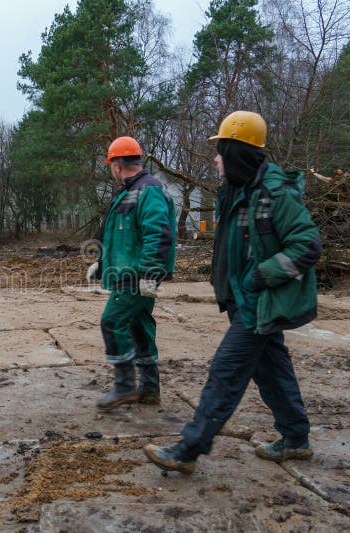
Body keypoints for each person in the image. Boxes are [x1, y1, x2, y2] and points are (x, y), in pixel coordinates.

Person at [142, 111, 322, 474]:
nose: (215, 158)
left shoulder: (274, 194)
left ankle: (187, 449)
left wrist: (263, 275)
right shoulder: (237, 189)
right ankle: (296, 439)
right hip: (243, 300)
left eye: (220, 151)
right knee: (271, 371)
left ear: (237, 151)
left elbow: (308, 246)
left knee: (225, 373)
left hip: (260, 302)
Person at [87, 136, 177, 410]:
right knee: (139, 328)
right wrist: (102, 264)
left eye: (110, 164)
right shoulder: (130, 191)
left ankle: (125, 386)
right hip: (129, 273)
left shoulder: (147, 190)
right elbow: (120, 238)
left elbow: (157, 233)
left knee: (112, 322)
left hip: (136, 276)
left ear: (117, 164)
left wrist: (149, 274)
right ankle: (149, 389)